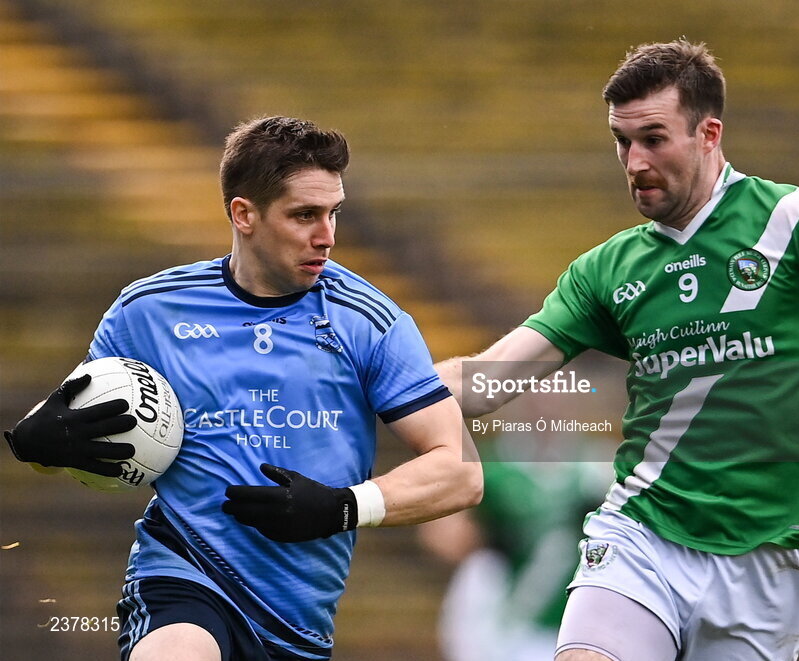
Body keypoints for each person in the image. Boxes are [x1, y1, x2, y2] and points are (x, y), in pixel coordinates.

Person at [435, 39, 799, 661]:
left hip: (772, 560)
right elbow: (487, 381)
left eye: (653, 138)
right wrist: (359, 387)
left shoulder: (797, 219)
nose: (634, 160)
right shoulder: (606, 269)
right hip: (643, 535)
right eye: (622, 141)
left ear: (708, 133)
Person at [4, 116, 483, 661]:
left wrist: (342, 507)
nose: (326, 235)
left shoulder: (368, 321)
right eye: (304, 215)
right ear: (243, 214)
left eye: (333, 213)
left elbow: (461, 474)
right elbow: (78, 431)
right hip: (183, 573)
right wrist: (39, 446)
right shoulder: (149, 311)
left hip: (295, 624)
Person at [418, 421, 611, 661]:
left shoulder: (598, 468)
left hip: (572, 621)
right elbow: (441, 535)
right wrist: (498, 534)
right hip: (510, 615)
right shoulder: (494, 468)